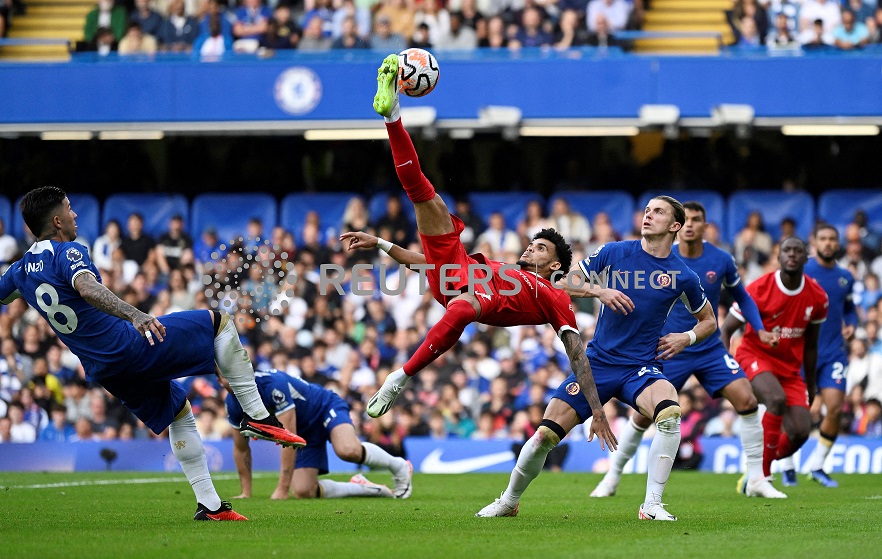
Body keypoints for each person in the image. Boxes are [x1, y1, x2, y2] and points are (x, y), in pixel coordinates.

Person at [350, 55, 616, 467]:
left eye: (541, 249)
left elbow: (577, 354)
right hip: (454, 272)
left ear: (555, 267)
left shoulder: (553, 297)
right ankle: (393, 115)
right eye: (532, 244)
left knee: (467, 303)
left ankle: (399, 378)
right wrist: (381, 243)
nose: (531, 249)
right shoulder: (505, 268)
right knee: (425, 196)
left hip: (474, 299)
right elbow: (423, 264)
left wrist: (597, 411)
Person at [0, 187, 306, 521]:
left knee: (178, 411)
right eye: (70, 209)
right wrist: (136, 314)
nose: (75, 215)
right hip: (126, 345)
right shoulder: (67, 252)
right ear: (57, 221)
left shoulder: (18, 270)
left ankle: (211, 506)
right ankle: (257, 416)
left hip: (104, 369)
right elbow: (87, 287)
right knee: (219, 321)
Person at [590, 201, 786, 500]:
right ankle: (612, 476)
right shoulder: (658, 256)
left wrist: (757, 327)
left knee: (746, 399)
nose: (692, 224)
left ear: (703, 225)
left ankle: (757, 479)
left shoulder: (721, 259)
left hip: (705, 346)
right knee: (646, 417)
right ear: (678, 227)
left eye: (697, 219)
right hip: (668, 347)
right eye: (689, 218)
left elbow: (742, 297)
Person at [721, 237, 828, 492]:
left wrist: (811, 386)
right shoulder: (758, 289)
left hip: (790, 369)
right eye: (786, 251)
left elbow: (811, 346)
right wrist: (724, 372)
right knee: (776, 401)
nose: (792, 255)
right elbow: (726, 330)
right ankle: (762, 478)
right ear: (778, 257)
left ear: (805, 258)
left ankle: (755, 469)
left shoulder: (817, 297)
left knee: (801, 431)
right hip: (754, 355)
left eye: (797, 251)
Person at [220, 369, 413, 500]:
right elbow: (240, 447)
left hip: (323, 407)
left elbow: (288, 434)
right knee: (305, 490)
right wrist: (246, 492)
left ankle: (399, 466)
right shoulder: (232, 404)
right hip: (304, 431)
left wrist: (282, 488)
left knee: (347, 450)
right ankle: (366, 488)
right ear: (219, 380)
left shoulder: (271, 384)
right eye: (225, 374)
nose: (232, 377)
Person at [791, 224, 856, 488]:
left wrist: (851, 322)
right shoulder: (801, 272)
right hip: (801, 353)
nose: (828, 243)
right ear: (814, 242)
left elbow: (849, 306)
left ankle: (817, 465)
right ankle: (785, 465)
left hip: (833, 353)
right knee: (797, 414)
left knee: (836, 409)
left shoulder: (845, 277)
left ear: (837, 243)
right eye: (823, 239)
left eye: (832, 239)